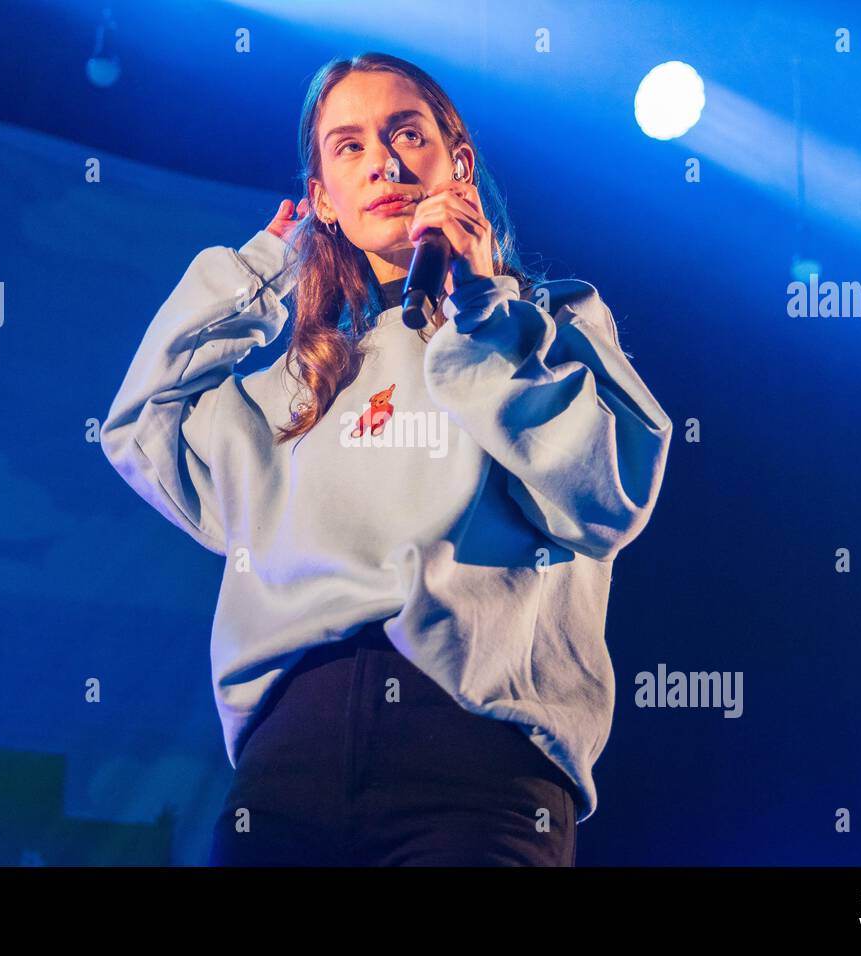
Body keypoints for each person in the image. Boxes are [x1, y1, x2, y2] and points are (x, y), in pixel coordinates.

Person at [101, 52, 673, 866]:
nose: (385, 163)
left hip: (478, 772)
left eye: (407, 134)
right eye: (350, 146)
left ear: (458, 164)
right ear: (322, 198)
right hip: (286, 778)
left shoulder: (552, 325)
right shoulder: (294, 386)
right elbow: (140, 424)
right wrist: (264, 268)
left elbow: (606, 496)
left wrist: (482, 312)